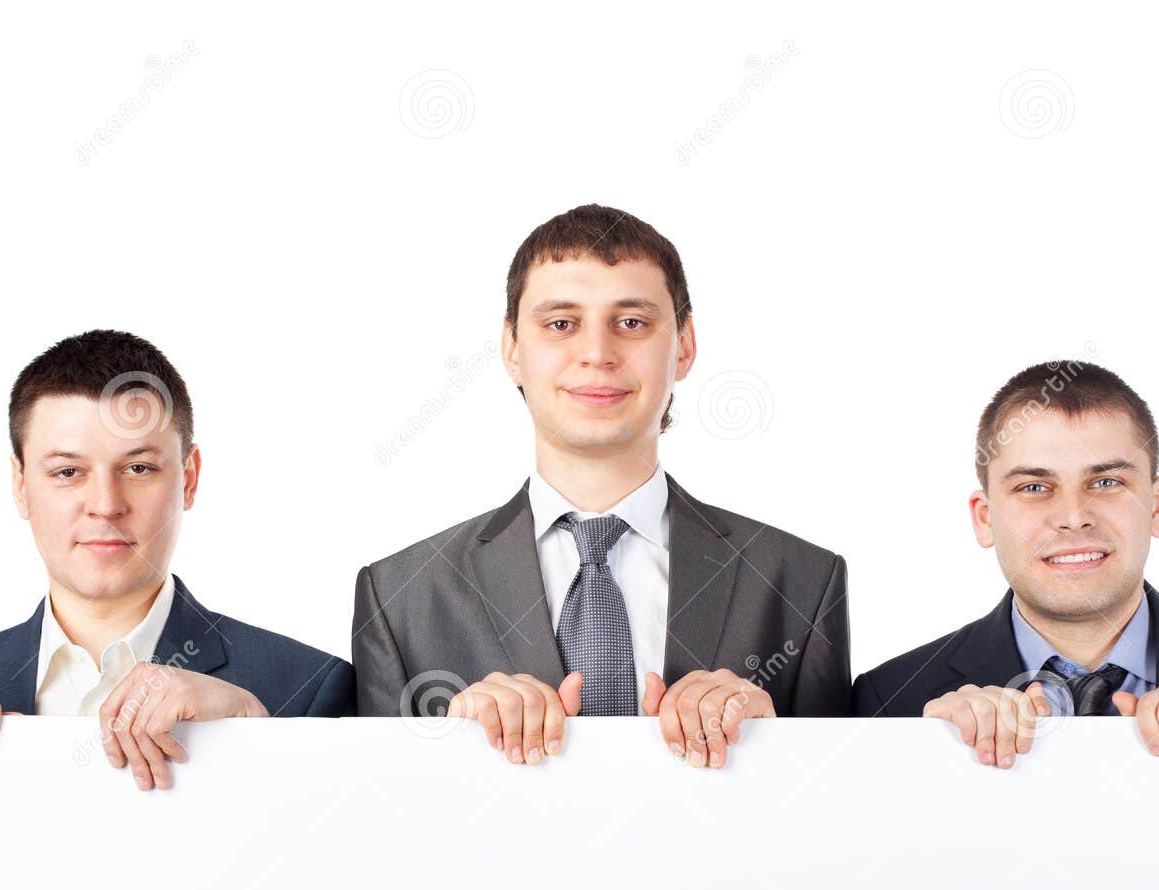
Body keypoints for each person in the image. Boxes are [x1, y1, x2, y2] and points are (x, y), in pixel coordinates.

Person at [353, 205, 850, 769]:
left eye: (632, 322)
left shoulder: (802, 583)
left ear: (684, 347)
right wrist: (451, 756)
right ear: (512, 347)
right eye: (561, 323)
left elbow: (836, 822)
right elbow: (380, 831)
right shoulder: (399, 598)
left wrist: (777, 746)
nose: (597, 353)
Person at [0, 329, 354, 790]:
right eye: (67, 472)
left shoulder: (307, 689)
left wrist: (253, 735)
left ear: (188, 480)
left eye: (138, 468)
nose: (105, 504)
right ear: (20, 486)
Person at [852, 359, 1159, 769]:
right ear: (985, 519)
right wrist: (922, 766)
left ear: (1157, 506)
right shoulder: (891, 701)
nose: (1072, 517)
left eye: (1106, 482)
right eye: (1033, 487)